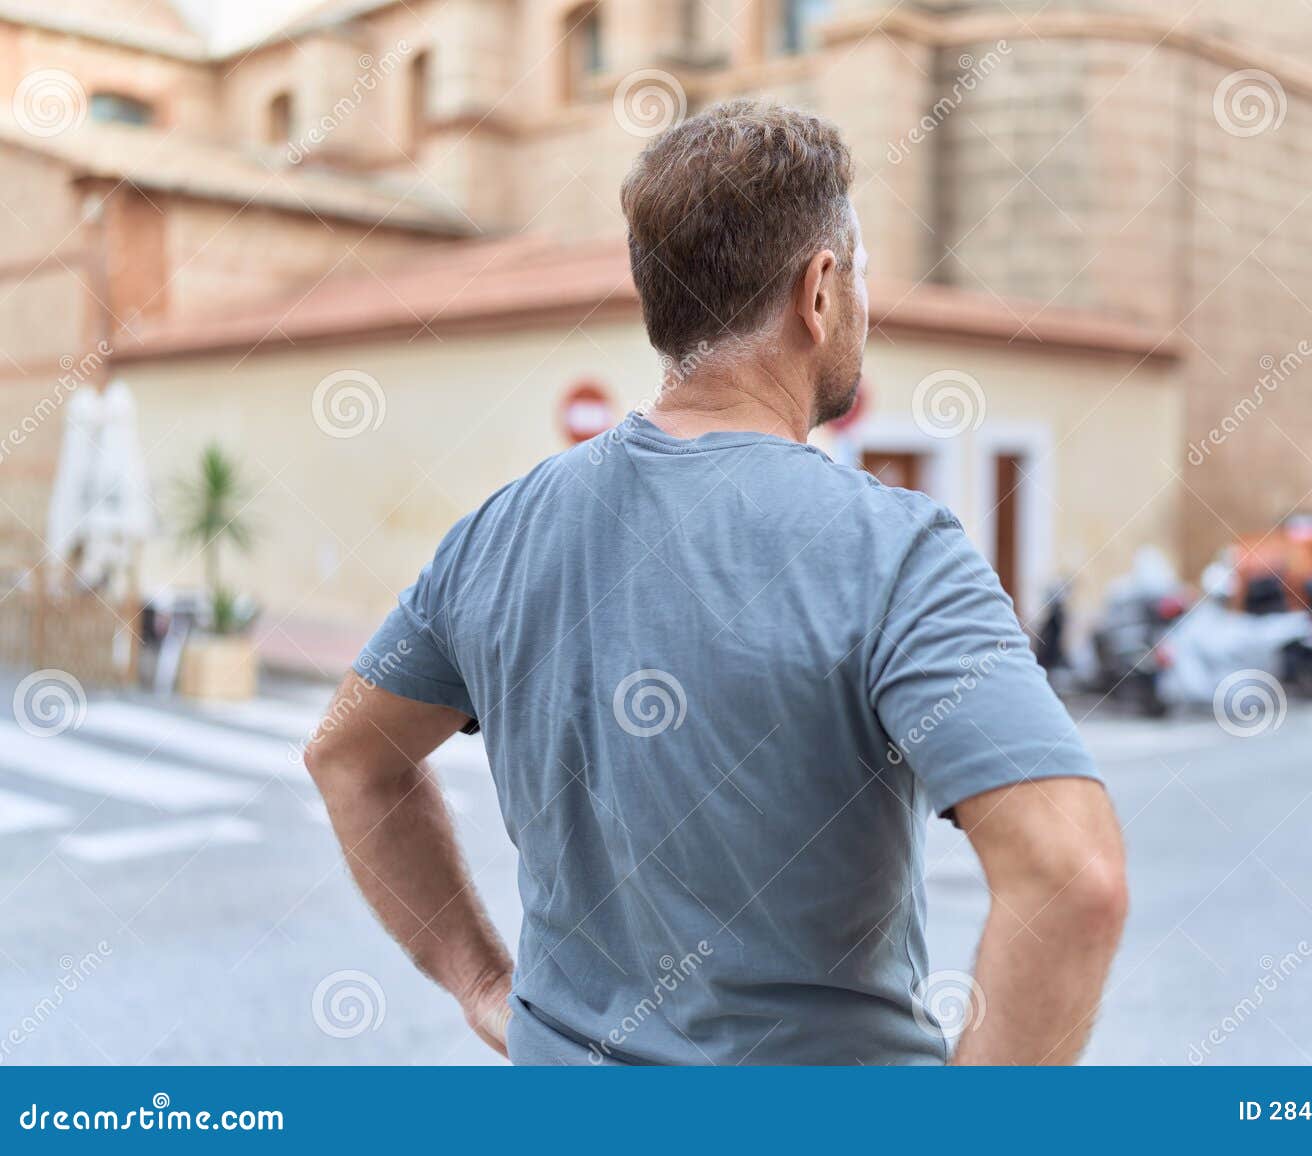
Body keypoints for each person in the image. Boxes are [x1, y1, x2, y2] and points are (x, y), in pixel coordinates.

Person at [305, 99, 1126, 1065]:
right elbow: (1073, 878)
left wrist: (482, 983)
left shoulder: (496, 534)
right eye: (858, 277)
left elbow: (347, 757)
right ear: (820, 291)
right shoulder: (895, 551)